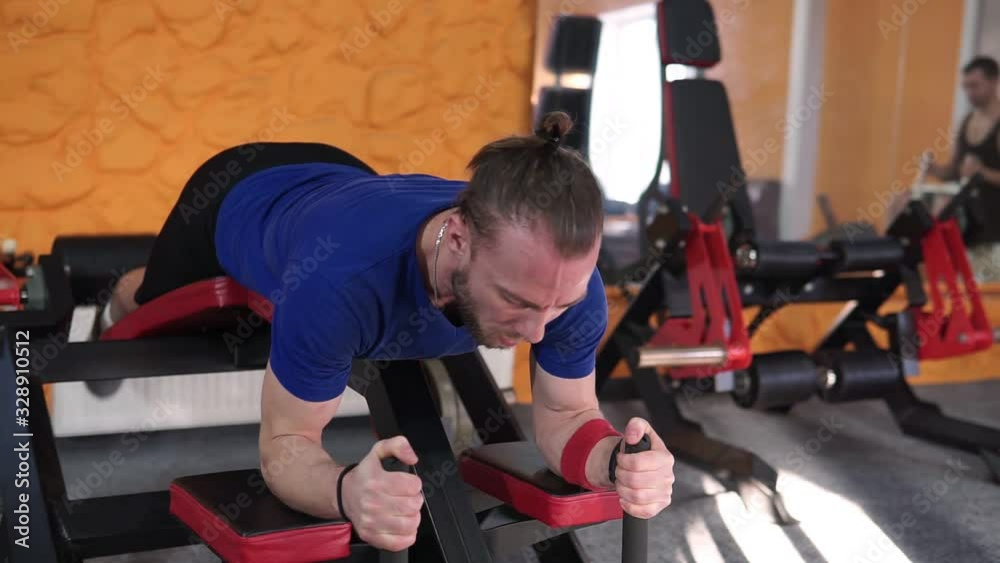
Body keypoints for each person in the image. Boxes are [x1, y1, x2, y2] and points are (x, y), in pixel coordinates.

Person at [105, 112, 675, 552]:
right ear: (457, 239)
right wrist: (345, 489)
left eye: (559, 305)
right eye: (515, 301)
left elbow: (567, 416)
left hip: (344, 180)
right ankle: (118, 291)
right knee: (144, 306)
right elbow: (284, 448)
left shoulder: (568, 285)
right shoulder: (341, 282)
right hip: (237, 193)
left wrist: (615, 461)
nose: (537, 330)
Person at [925, 56, 1000, 185]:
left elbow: (976, 172)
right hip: (967, 203)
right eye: (966, 86)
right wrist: (934, 169)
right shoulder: (965, 121)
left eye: (975, 85)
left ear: (993, 82)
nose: (969, 92)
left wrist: (983, 173)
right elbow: (954, 172)